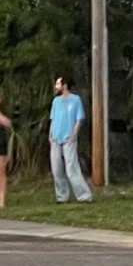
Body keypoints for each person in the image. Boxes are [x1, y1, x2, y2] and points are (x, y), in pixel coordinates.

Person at [48, 76, 94, 204]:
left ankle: (84, 195)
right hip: (56, 137)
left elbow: (79, 119)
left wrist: (74, 135)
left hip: (69, 137)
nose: (56, 86)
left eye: (58, 84)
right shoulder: (56, 101)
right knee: (56, 168)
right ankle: (61, 196)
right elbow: (53, 118)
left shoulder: (75, 100)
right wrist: (50, 135)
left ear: (65, 85)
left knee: (71, 167)